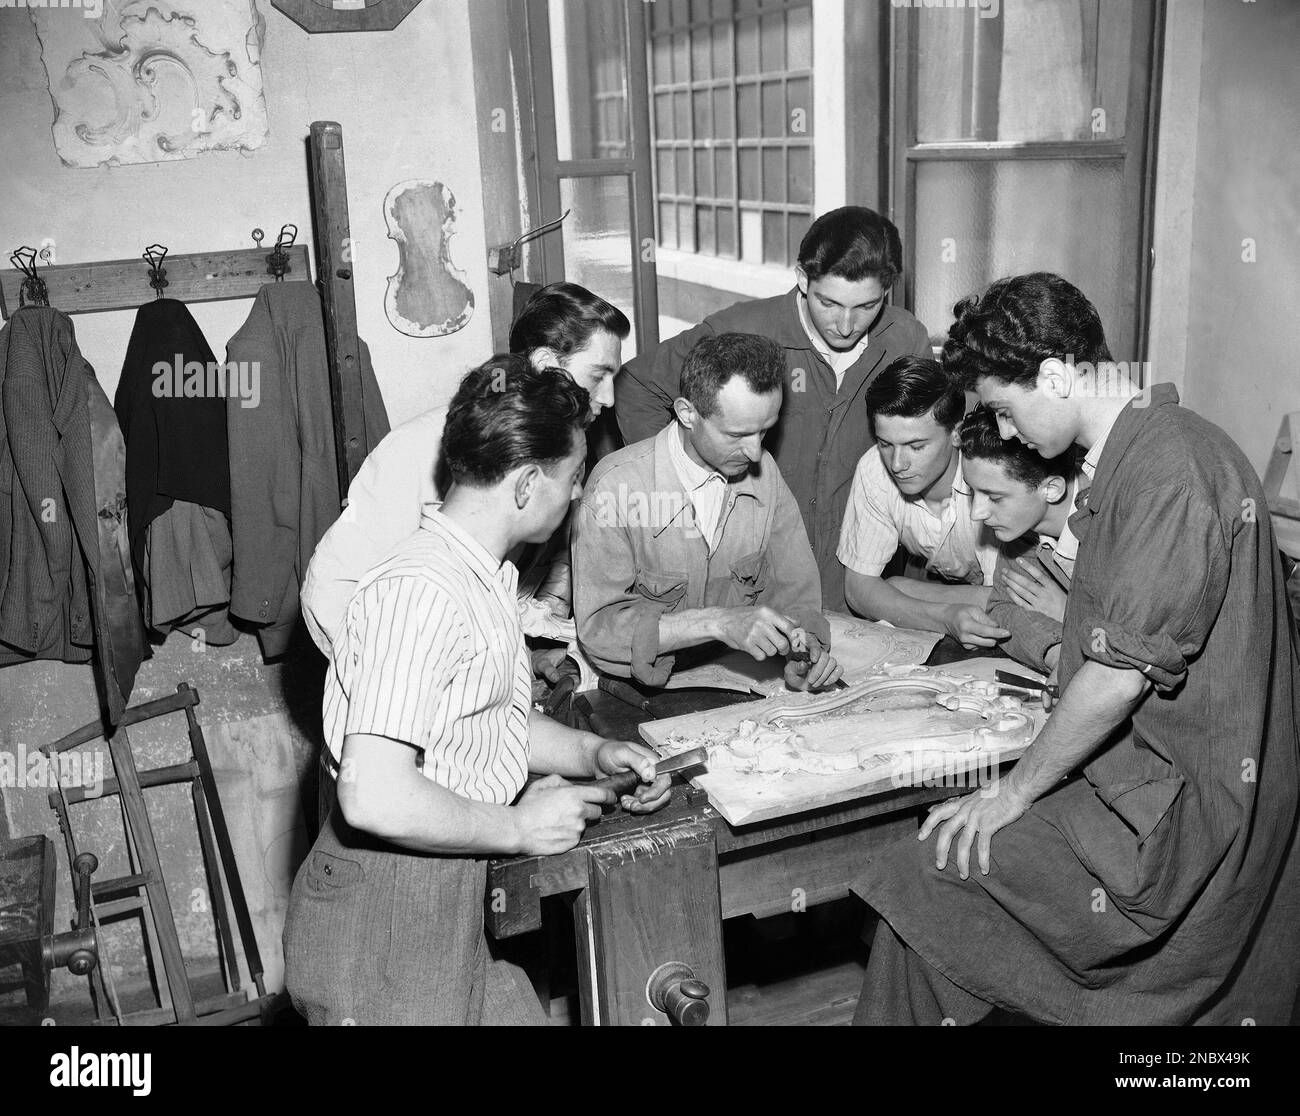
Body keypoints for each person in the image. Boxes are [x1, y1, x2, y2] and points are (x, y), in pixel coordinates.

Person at [853, 272, 1300, 1026]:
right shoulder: (1129, 465)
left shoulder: (1171, 467)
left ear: (1057, 374)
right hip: (1141, 786)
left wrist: (1013, 792)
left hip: (1181, 819)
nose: (1010, 431)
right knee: (929, 892)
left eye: (1004, 407)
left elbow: (1116, 679)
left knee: (930, 874)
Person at [282, 358, 671, 1026]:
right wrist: (519, 826)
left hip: (447, 896)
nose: (578, 496)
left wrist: (591, 753)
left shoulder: (482, 577)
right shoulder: (420, 591)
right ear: (525, 485)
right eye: (573, 479)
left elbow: (479, 723)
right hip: (385, 922)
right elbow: (375, 795)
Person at [614, 206, 931, 613]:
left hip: (857, 578)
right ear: (802, 277)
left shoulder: (907, 341)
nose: (847, 325)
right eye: (829, 303)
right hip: (750, 578)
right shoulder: (742, 329)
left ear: (887, 290)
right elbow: (636, 387)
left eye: (866, 307)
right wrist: (681, 489)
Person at [301, 282, 630, 659]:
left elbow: (495, 580)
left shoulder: (567, 447)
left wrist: (519, 658)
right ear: (545, 364)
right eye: (597, 375)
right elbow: (330, 591)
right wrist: (402, 675)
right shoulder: (421, 448)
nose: (608, 398)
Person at [575, 333, 843, 692]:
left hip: (742, 684)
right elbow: (600, 631)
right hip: (638, 693)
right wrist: (717, 622)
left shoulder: (766, 477)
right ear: (688, 414)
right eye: (737, 434)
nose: (754, 452)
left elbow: (797, 594)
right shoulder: (616, 487)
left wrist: (802, 651)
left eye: (765, 431)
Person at [837, 356, 1003, 646]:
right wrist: (944, 616)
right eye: (886, 444)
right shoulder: (873, 468)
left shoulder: (993, 476)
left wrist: (899, 588)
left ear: (957, 434)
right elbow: (858, 589)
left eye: (916, 446)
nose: (898, 464)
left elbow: (1003, 603)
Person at [959, 405, 1079, 674]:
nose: (977, 513)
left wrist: (1071, 615)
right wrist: (1057, 651)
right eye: (973, 492)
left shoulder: (1118, 521)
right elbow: (1002, 609)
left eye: (995, 497)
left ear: (1052, 489)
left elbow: (1137, 635)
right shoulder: (1021, 526)